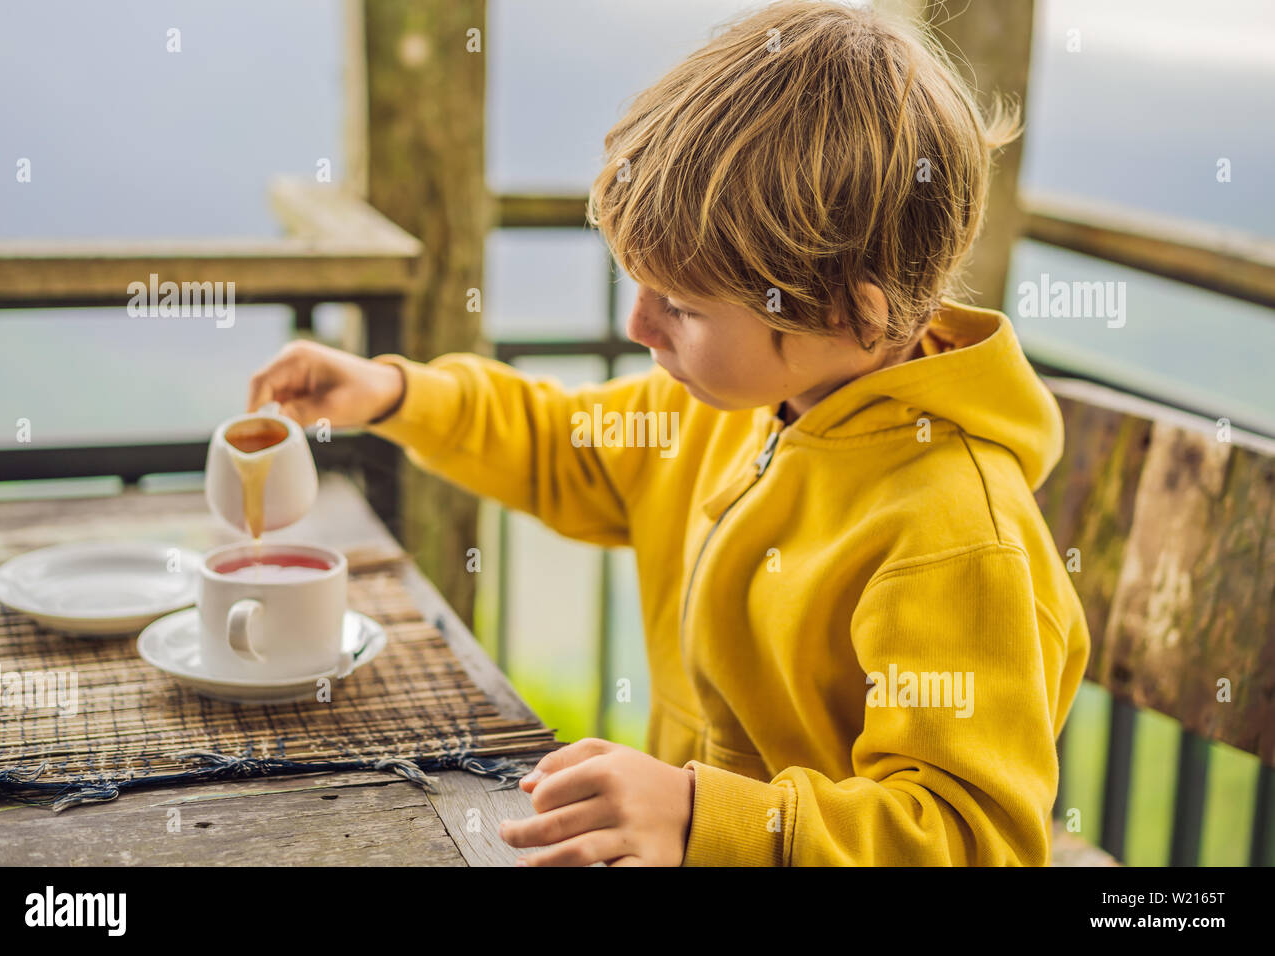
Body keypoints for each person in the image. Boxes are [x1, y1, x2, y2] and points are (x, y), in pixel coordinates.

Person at [246, 0, 1090, 866]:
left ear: (850, 312)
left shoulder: (955, 539)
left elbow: (968, 837)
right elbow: (559, 443)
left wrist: (703, 818)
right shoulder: (722, 409)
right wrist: (393, 393)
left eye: (681, 306)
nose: (640, 326)